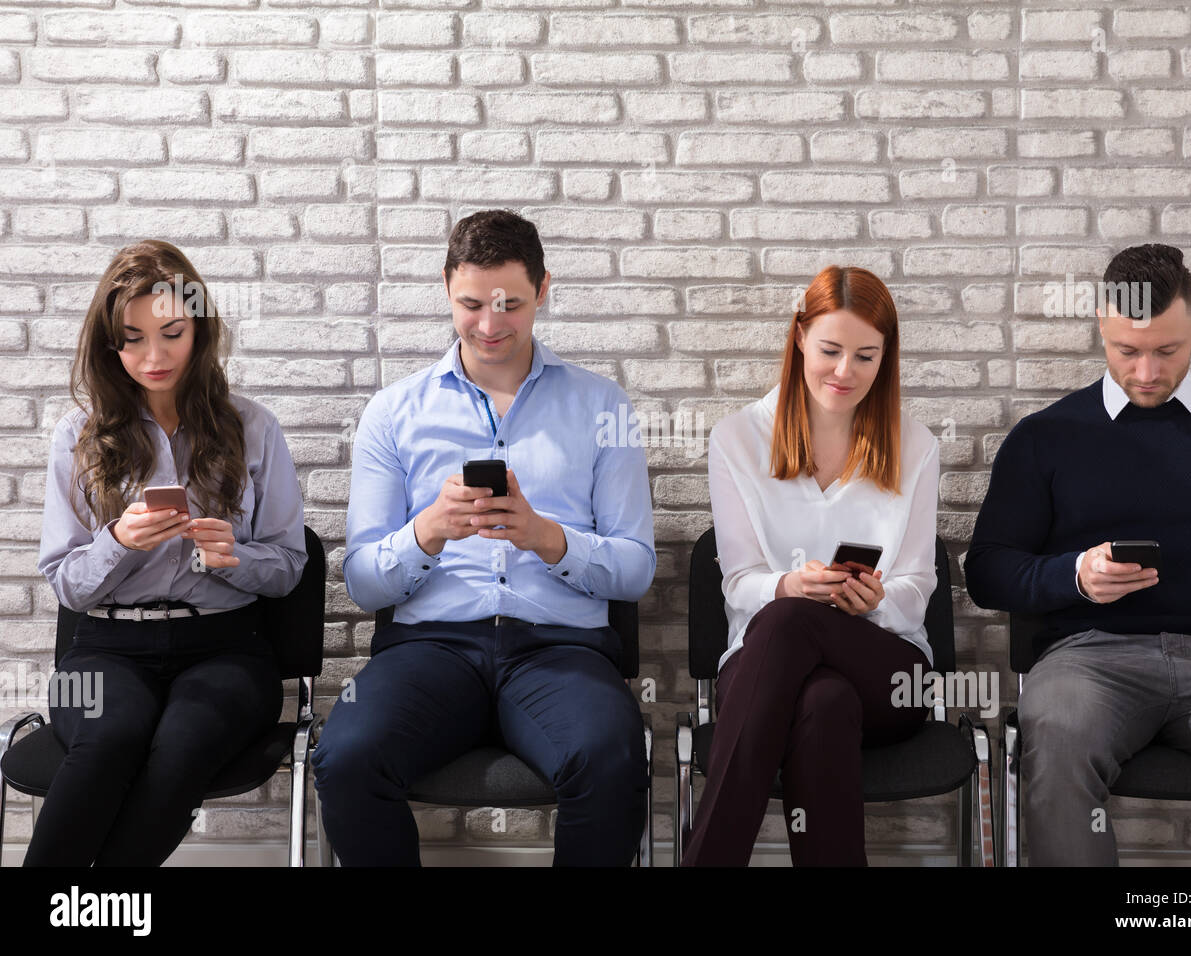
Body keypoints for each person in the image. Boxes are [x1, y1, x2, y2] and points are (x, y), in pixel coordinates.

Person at [311, 209, 655, 866]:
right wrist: (427, 534)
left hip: (561, 652)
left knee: (611, 759)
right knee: (346, 757)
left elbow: (636, 569)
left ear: (543, 290)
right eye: (471, 304)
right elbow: (361, 581)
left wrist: (548, 539)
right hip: (428, 650)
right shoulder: (394, 412)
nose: (491, 325)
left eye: (511, 305)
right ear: (446, 288)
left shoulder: (602, 407)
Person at [965, 242, 1191, 866]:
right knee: (1058, 741)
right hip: (1088, 662)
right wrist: (1074, 577)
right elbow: (986, 570)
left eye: (1166, 351)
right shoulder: (1047, 437)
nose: (1146, 372)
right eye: (1128, 351)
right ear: (1101, 325)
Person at [26, 240, 307, 866]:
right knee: (107, 738)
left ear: (199, 330)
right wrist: (117, 542)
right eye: (131, 339)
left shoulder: (253, 427)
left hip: (228, 649)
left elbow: (289, 568)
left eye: (172, 333)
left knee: (183, 744)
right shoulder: (79, 436)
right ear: (109, 343)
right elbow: (67, 585)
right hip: (103, 647)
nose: (153, 357)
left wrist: (235, 554)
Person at [681, 265, 939, 866]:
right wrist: (790, 585)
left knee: (789, 621)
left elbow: (918, 586)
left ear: (886, 358)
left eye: (866, 356)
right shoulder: (737, 439)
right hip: (768, 673)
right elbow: (740, 584)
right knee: (820, 696)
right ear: (799, 338)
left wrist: (877, 599)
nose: (845, 372)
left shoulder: (917, 445)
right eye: (829, 350)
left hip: (892, 672)